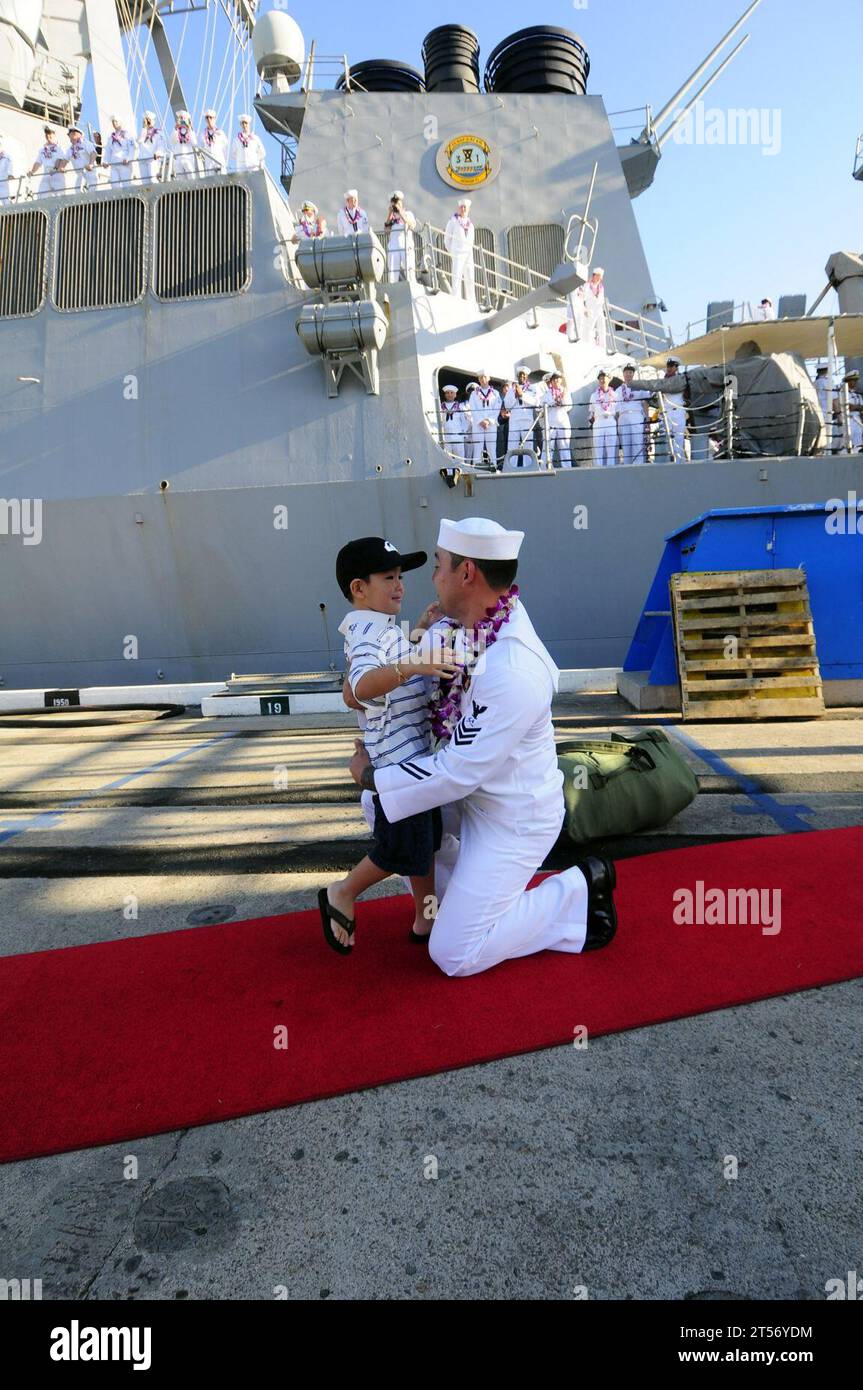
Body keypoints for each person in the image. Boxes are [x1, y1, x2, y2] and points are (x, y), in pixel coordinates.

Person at [347, 516, 618, 977]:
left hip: (511, 819)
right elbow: (384, 677)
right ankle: (461, 896)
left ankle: (575, 891)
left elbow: (454, 771)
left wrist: (370, 774)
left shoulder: (514, 667)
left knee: (453, 954)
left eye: (439, 565)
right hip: (468, 800)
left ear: (467, 573)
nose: (432, 577)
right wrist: (355, 684)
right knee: (381, 808)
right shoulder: (456, 629)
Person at [321, 536, 462, 952]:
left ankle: (425, 918)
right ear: (358, 588)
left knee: (424, 846)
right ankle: (343, 891)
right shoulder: (366, 631)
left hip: (413, 758)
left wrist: (419, 630)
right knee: (399, 849)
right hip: (397, 765)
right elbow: (362, 686)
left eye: (400, 576)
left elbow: (394, 661)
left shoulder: (382, 626)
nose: (399, 585)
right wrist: (415, 663)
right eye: (388, 578)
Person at [615, 365, 652, 467]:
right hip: (623, 417)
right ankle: (627, 466)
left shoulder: (639, 387)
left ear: (633, 374)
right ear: (623, 374)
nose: (628, 374)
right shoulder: (618, 390)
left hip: (636, 415)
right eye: (626, 372)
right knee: (625, 443)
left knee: (637, 442)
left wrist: (647, 419)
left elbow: (645, 403)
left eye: (630, 372)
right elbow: (616, 408)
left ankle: (638, 466)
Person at [503, 366, 540, 466]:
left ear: (527, 377)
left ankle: (528, 467)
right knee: (512, 445)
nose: (522, 376)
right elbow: (507, 406)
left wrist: (522, 395)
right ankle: (511, 467)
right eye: (520, 375)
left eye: (524, 375)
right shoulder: (511, 390)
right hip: (514, 420)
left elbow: (536, 402)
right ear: (517, 376)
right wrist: (515, 396)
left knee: (528, 445)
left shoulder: (532, 388)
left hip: (527, 420)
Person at [466, 372, 502, 469]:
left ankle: (493, 467)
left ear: (489, 378)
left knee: (491, 448)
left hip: (491, 424)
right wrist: (481, 420)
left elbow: (497, 408)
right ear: (478, 379)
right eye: (481, 377)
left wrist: (489, 420)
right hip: (478, 424)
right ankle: (476, 468)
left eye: (485, 377)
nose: (483, 379)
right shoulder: (474, 393)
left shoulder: (495, 393)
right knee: (477, 448)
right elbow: (472, 407)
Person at [444, 198, 476, 303]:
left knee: (470, 276)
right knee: (457, 276)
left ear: (468, 209)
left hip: (468, 254)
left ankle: (471, 300)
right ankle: (456, 299)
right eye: (461, 207)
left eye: (465, 207)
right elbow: (447, 239)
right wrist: (453, 251)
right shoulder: (453, 222)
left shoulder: (471, 225)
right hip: (457, 253)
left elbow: (471, 241)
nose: (463, 209)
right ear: (459, 208)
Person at [541, 370, 573, 468]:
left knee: (564, 446)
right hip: (550, 422)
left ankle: (567, 469)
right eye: (554, 379)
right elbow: (542, 405)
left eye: (558, 379)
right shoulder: (547, 393)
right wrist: (553, 401)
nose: (556, 381)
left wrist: (562, 400)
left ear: (561, 380)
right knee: (548, 447)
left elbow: (569, 406)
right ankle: (544, 469)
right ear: (551, 381)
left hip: (562, 421)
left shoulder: (565, 391)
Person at [384, 190, 416, 283]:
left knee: (409, 270)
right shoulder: (392, 218)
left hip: (406, 246)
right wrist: (389, 214)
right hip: (394, 246)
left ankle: (412, 286)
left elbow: (412, 225)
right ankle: (393, 289)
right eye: (394, 203)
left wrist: (401, 213)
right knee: (392, 273)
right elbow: (386, 230)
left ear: (401, 203)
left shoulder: (408, 214)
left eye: (397, 203)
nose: (396, 205)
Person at [589, 370, 618, 467]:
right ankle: (598, 469)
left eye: (604, 378)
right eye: (600, 378)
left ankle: (610, 469)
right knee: (598, 449)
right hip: (599, 421)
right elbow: (591, 411)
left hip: (610, 420)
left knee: (611, 450)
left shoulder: (615, 395)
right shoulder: (594, 395)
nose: (602, 380)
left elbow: (618, 410)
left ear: (609, 379)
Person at [29, 125, 67, 196]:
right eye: (46, 133)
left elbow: (60, 160)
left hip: (57, 173)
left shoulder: (59, 148)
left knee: (59, 195)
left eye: (50, 133)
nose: (48, 135)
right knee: (42, 194)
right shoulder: (42, 150)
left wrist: (55, 169)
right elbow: (38, 162)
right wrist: (32, 171)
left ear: (54, 134)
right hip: (46, 173)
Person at [63, 124, 97, 193]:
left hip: (90, 172)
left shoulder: (85, 143)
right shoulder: (70, 149)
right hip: (79, 174)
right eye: (69, 136)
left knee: (90, 192)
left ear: (77, 134)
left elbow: (93, 153)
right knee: (78, 191)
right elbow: (65, 160)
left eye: (71, 135)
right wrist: (61, 167)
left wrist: (91, 164)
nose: (70, 137)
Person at [102, 116, 136, 185]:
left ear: (121, 122)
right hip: (114, 164)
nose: (114, 123)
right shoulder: (111, 138)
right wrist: (105, 161)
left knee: (126, 185)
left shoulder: (127, 134)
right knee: (114, 186)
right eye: (113, 122)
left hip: (124, 163)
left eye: (116, 121)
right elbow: (108, 151)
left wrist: (129, 158)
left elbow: (131, 148)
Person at [440, 383, 468, 463]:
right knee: (446, 459)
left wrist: (462, 434)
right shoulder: (441, 407)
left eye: (452, 393)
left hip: (457, 436)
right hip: (446, 436)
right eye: (447, 393)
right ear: (445, 395)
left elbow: (464, 422)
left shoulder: (460, 407)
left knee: (460, 459)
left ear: (455, 395)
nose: (449, 395)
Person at [814, 366, 838, 456]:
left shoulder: (814, 383)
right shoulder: (828, 382)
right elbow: (834, 400)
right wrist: (839, 414)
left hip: (816, 415)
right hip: (828, 415)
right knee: (830, 440)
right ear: (827, 371)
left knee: (819, 439)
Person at [137, 112, 166, 184]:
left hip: (152, 158)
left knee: (153, 180)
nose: (148, 122)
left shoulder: (158, 132)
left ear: (153, 121)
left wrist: (158, 153)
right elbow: (139, 140)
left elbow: (161, 145)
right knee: (145, 182)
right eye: (147, 120)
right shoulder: (143, 131)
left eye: (149, 120)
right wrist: (144, 127)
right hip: (143, 159)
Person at [584, 267, 608, 350]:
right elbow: (583, 297)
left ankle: (603, 346)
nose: (600, 279)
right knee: (589, 327)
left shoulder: (601, 287)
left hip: (599, 309)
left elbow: (602, 298)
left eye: (601, 277)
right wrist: (585, 309)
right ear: (594, 276)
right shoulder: (587, 285)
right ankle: (587, 344)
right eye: (599, 276)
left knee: (602, 328)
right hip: (590, 309)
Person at [170, 110, 198, 179]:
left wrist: (189, 129)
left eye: (183, 118)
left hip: (188, 157)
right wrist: (175, 128)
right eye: (180, 118)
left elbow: (194, 143)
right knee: (180, 179)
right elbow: (172, 141)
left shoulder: (190, 131)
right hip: (178, 158)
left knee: (191, 177)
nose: (182, 120)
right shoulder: (176, 130)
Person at [198, 109, 228, 173]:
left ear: (214, 119)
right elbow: (201, 149)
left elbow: (225, 149)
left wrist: (224, 161)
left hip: (219, 159)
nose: (209, 119)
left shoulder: (220, 133)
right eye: (207, 117)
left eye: (210, 117)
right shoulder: (202, 135)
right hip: (208, 162)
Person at [842, 371, 863, 451]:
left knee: (858, 443)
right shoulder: (842, 393)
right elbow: (849, 407)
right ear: (848, 381)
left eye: (856, 380)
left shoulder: (858, 395)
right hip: (847, 419)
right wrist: (858, 407)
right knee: (847, 443)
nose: (856, 382)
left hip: (857, 420)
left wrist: (856, 407)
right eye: (853, 380)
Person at [0, 132, 17, 205]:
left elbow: (9, 167)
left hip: (3, 182)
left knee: (5, 200)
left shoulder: (6, 157)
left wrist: (10, 174)